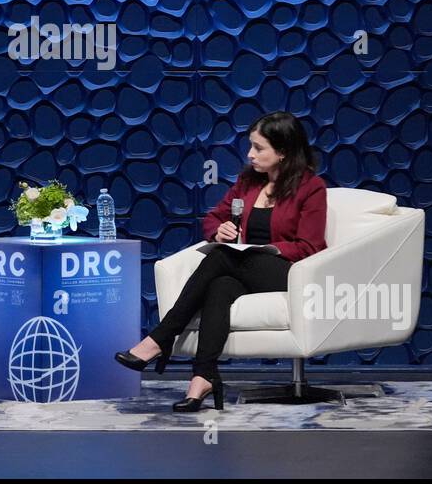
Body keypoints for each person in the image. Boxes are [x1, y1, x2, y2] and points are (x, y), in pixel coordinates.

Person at [114, 111, 328, 411]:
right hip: (243, 269)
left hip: (289, 272)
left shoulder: (311, 187)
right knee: (221, 285)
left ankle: (161, 336)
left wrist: (266, 249)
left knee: (221, 257)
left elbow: (310, 245)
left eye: (259, 148)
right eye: (250, 146)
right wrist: (220, 230)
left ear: (283, 152)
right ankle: (203, 376)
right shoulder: (248, 182)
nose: (250, 154)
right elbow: (215, 217)